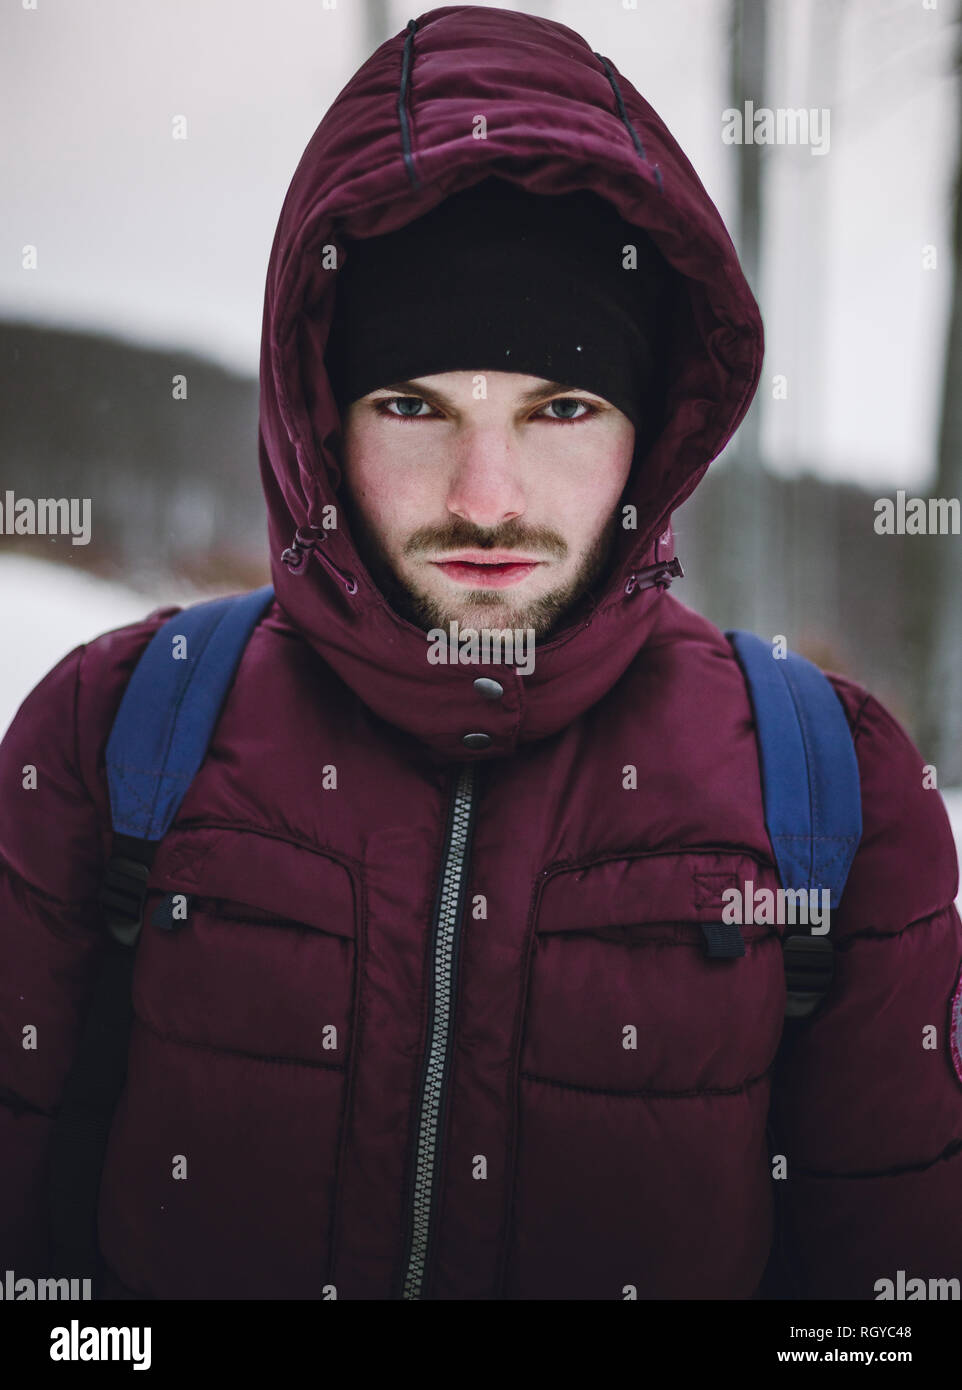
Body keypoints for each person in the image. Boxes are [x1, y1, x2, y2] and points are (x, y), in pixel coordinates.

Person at [1, 4, 960, 1302]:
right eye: (414, 406)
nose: (487, 492)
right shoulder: (114, 732)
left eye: (561, 408)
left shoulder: (832, 790)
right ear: (318, 422)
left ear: (650, 431)